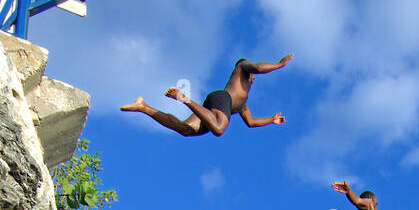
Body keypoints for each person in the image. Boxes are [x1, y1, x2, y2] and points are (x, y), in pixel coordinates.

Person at [121, 54, 293, 138]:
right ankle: (184, 98)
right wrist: (279, 64)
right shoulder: (242, 66)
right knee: (218, 129)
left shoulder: (242, 103)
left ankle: (143, 106)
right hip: (221, 99)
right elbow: (257, 67)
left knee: (185, 129)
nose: (254, 76)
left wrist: (271, 119)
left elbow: (251, 122)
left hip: (213, 107)